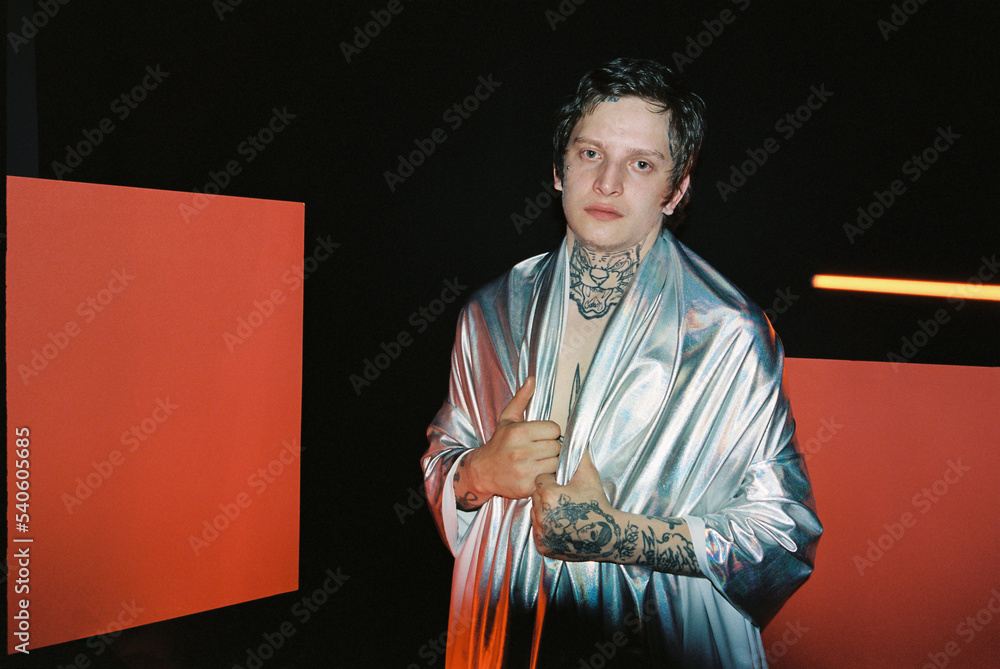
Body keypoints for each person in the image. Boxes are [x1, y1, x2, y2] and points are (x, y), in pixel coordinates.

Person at [422, 57, 822, 668]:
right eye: (589, 154)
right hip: (504, 632)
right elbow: (444, 460)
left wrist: (619, 535)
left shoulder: (727, 333)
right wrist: (477, 473)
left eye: (641, 164)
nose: (608, 183)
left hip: (655, 643)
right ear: (558, 169)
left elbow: (783, 533)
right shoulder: (490, 311)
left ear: (677, 187)